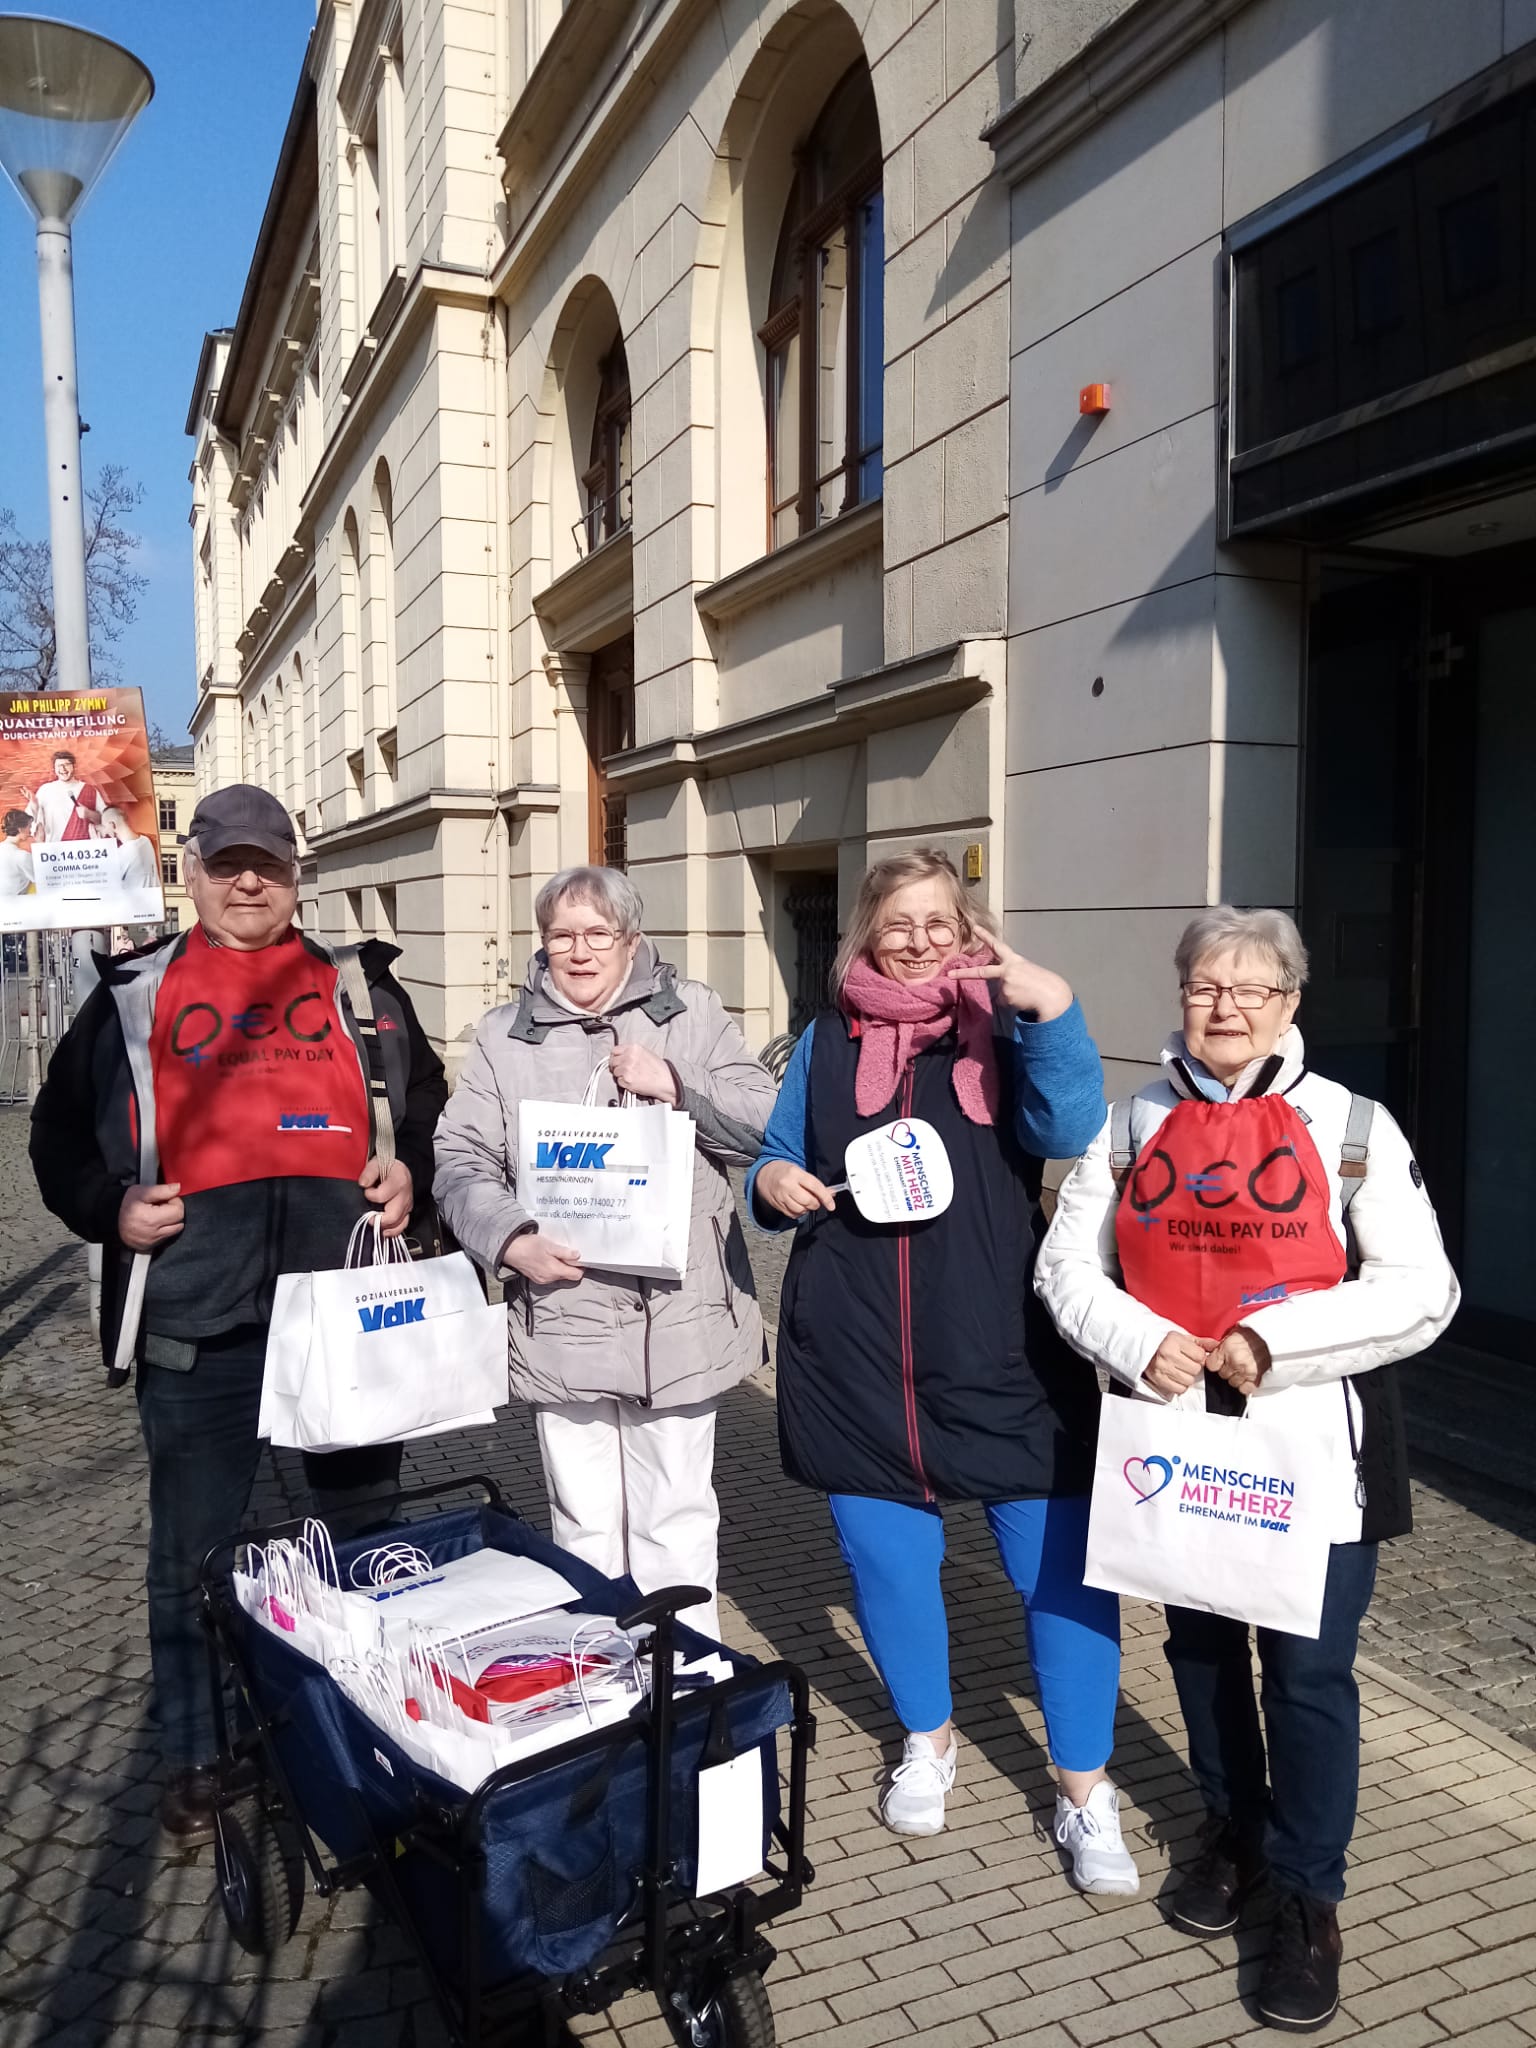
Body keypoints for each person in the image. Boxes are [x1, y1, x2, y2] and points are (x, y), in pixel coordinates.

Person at [1035, 906, 1459, 2030]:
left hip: (1310, 1442)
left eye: (1251, 988)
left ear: (1291, 1003)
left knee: (1310, 1676)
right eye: (1205, 986)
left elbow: (1424, 1287)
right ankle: (1233, 1834)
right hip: (1176, 1436)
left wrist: (1281, 1342)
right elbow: (1066, 1268)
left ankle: (1312, 1898)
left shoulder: (1352, 1125)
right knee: (1200, 1647)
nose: (1225, 1006)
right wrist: (1135, 1339)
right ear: (1181, 998)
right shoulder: (1131, 1125)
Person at [30, 784, 446, 1845]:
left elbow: (434, 1112)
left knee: (361, 1538)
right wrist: (109, 1206)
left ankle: (367, 1725)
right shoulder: (133, 992)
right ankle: (198, 1753)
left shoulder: (360, 986)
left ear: (296, 872)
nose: (249, 880)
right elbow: (56, 1138)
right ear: (196, 869)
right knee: (195, 1555)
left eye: (268, 861)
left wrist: (415, 1175)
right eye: (228, 863)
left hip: (341, 1315)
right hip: (192, 1318)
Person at [748, 848, 1135, 1893]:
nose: (916, 938)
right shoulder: (827, 1038)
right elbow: (775, 1153)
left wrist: (1050, 1008)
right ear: (865, 933)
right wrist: (772, 1176)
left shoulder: (1005, 1031)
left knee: (1061, 1574)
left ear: (969, 929)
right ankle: (930, 1737)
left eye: (937, 920)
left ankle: (1084, 1790)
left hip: (1002, 1346)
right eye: (896, 921)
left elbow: (1068, 1129)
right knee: (888, 1565)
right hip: (857, 1351)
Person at [433, 864, 774, 1640]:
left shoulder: (693, 1014)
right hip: (564, 1311)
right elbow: (458, 1156)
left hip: (680, 1317)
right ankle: (603, 1683)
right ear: (542, 943)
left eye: (597, 934)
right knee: (581, 1521)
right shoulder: (503, 1036)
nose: (579, 952)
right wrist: (512, 1241)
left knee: (676, 1521)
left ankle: (687, 1689)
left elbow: (765, 1124)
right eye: (562, 935)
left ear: (630, 940)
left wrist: (676, 1084)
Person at [20, 749, 102, 841]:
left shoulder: (90, 790)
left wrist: (89, 814)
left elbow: (107, 820)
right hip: (55, 849)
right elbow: (29, 821)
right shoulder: (45, 790)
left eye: (66, 765)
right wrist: (34, 804)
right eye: (59, 766)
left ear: (74, 766)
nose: (63, 769)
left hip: (83, 849)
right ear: (54, 769)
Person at [99, 804, 160, 890]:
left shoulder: (122, 853)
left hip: (139, 902)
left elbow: (105, 882)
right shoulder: (146, 840)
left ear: (112, 825)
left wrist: (97, 845)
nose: (104, 832)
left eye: (105, 827)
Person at [0, 810, 34, 895]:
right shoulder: (22, 856)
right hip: (18, 902)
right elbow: (39, 878)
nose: (30, 831)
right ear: (20, 829)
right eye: (29, 827)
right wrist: (40, 843)